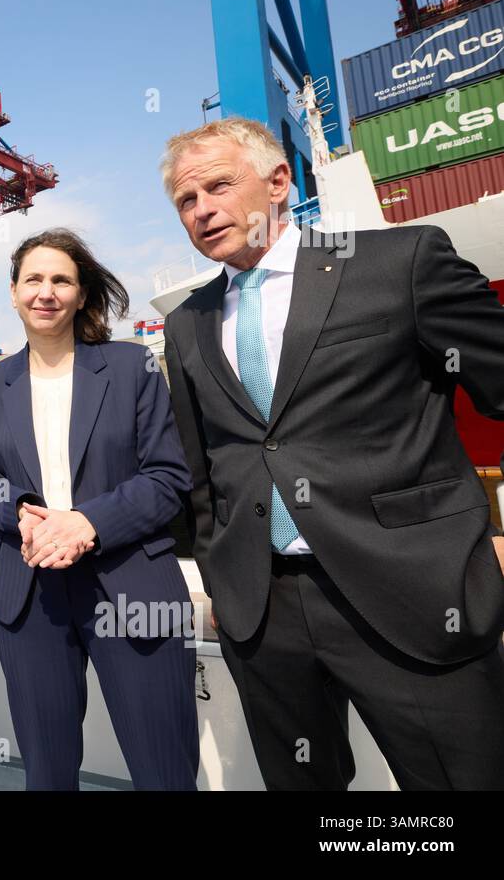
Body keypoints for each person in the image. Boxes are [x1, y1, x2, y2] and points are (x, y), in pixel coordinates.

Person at [160, 117, 504, 789]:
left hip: (413, 591)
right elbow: (205, 473)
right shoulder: (186, 323)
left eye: (219, 187)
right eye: (185, 201)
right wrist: (223, 577)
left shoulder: (398, 263)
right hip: (263, 613)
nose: (202, 211)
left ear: (279, 182)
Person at [0, 228, 198, 790]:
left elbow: (168, 478)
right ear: (14, 291)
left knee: (164, 769)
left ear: (81, 293)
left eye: (61, 280)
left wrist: (88, 523)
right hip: (30, 596)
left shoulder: (130, 367)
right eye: (34, 280)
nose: (46, 292)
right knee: (46, 773)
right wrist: (20, 509)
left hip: (132, 585)